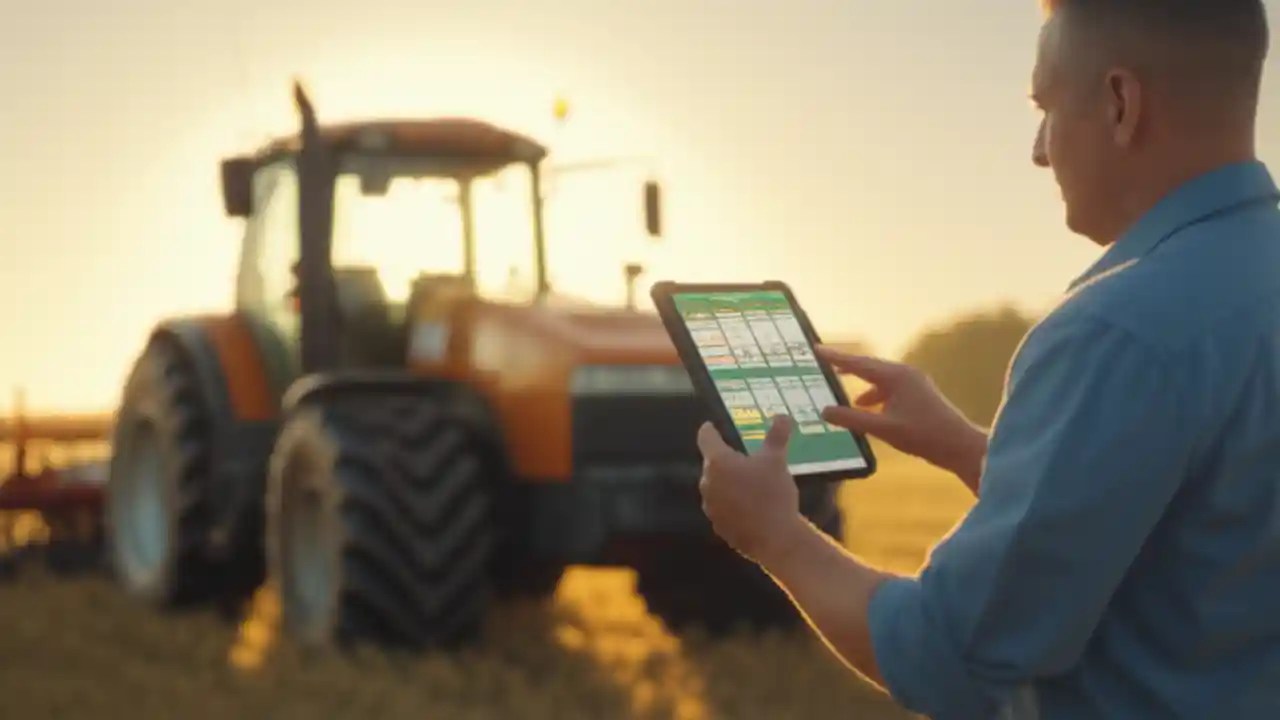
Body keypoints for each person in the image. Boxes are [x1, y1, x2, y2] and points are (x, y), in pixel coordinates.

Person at [695, 1, 1280, 717]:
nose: (1039, 149)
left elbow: (954, 659)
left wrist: (775, 535)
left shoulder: (1117, 329)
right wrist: (967, 449)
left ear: (1121, 103)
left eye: (1046, 107)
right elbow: (1191, 537)